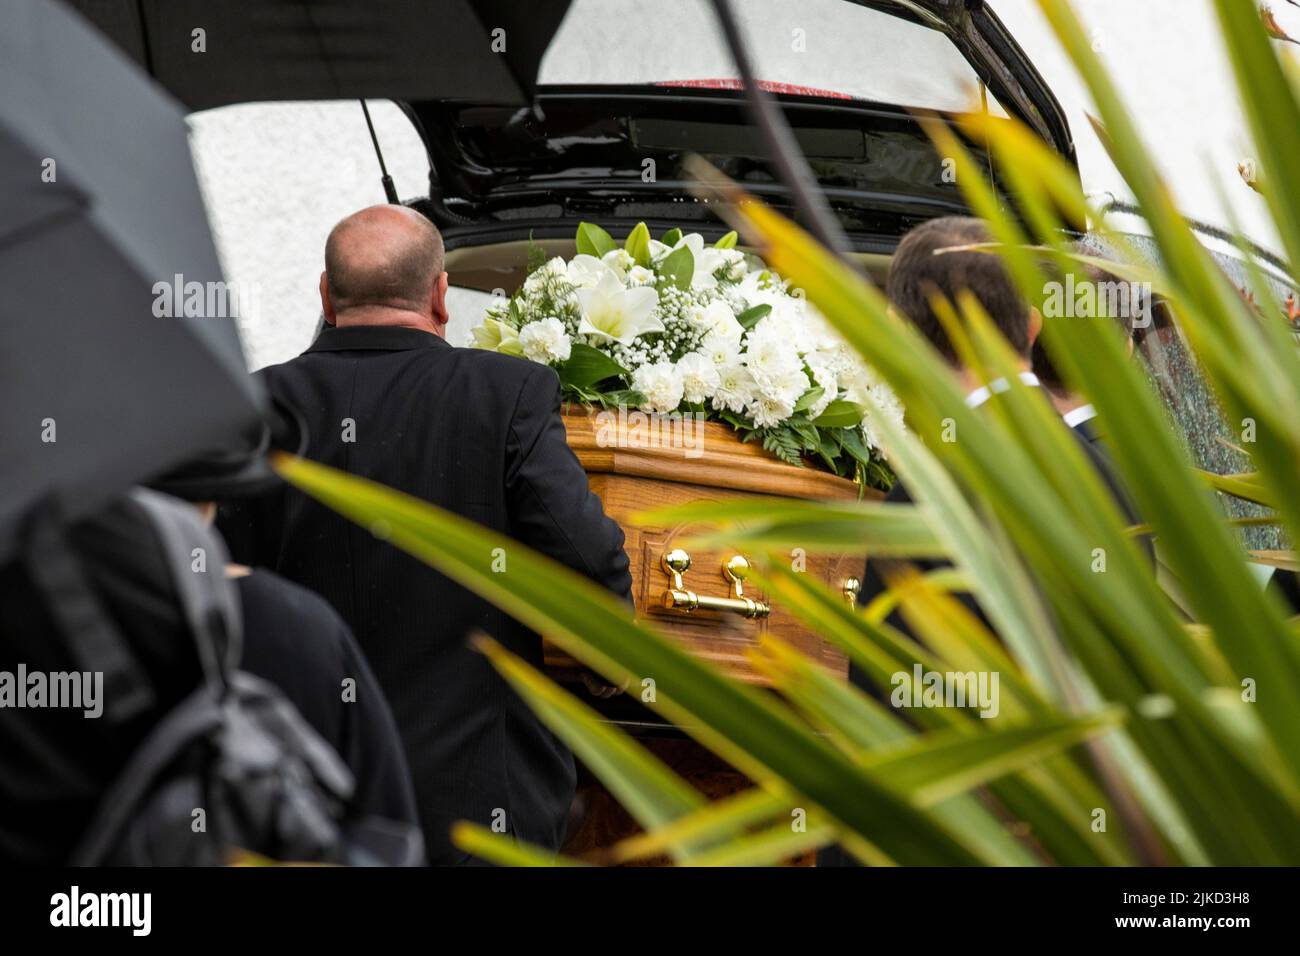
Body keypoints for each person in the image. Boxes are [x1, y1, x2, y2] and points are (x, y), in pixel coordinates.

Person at [219, 205, 633, 864]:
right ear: (441, 295)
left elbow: (221, 588)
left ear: (325, 296)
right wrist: (614, 668)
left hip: (301, 800)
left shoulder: (256, 405)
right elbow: (587, 557)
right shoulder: (507, 394)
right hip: (479, 809)